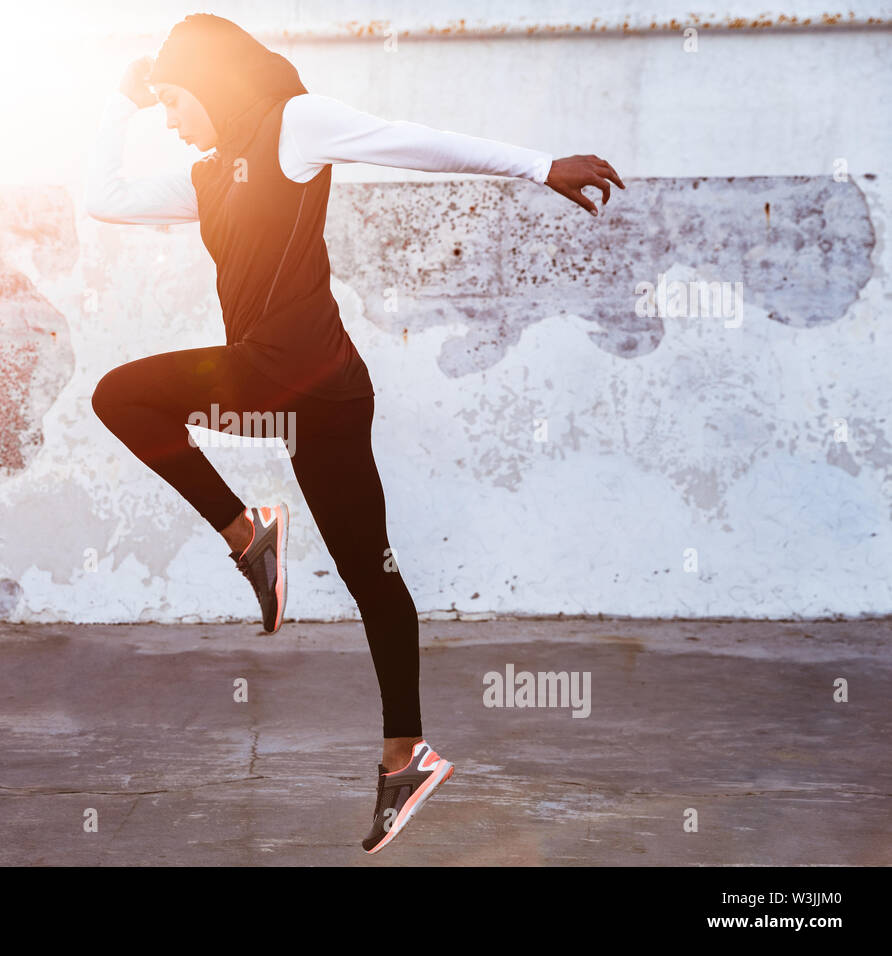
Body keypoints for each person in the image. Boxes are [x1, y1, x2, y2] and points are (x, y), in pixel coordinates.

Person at [85, 13, 624, 854]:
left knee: (120, 395)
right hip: (303, 399)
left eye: (170, 98)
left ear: (212, 82)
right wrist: (118, 106)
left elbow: (411, 141)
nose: (167, 116)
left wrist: (539, 165)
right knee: (373, 575)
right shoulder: (205, 177)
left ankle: (248, 535)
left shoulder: (293, 128)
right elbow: (103, 197)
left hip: (303, 375)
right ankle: (406, 753)